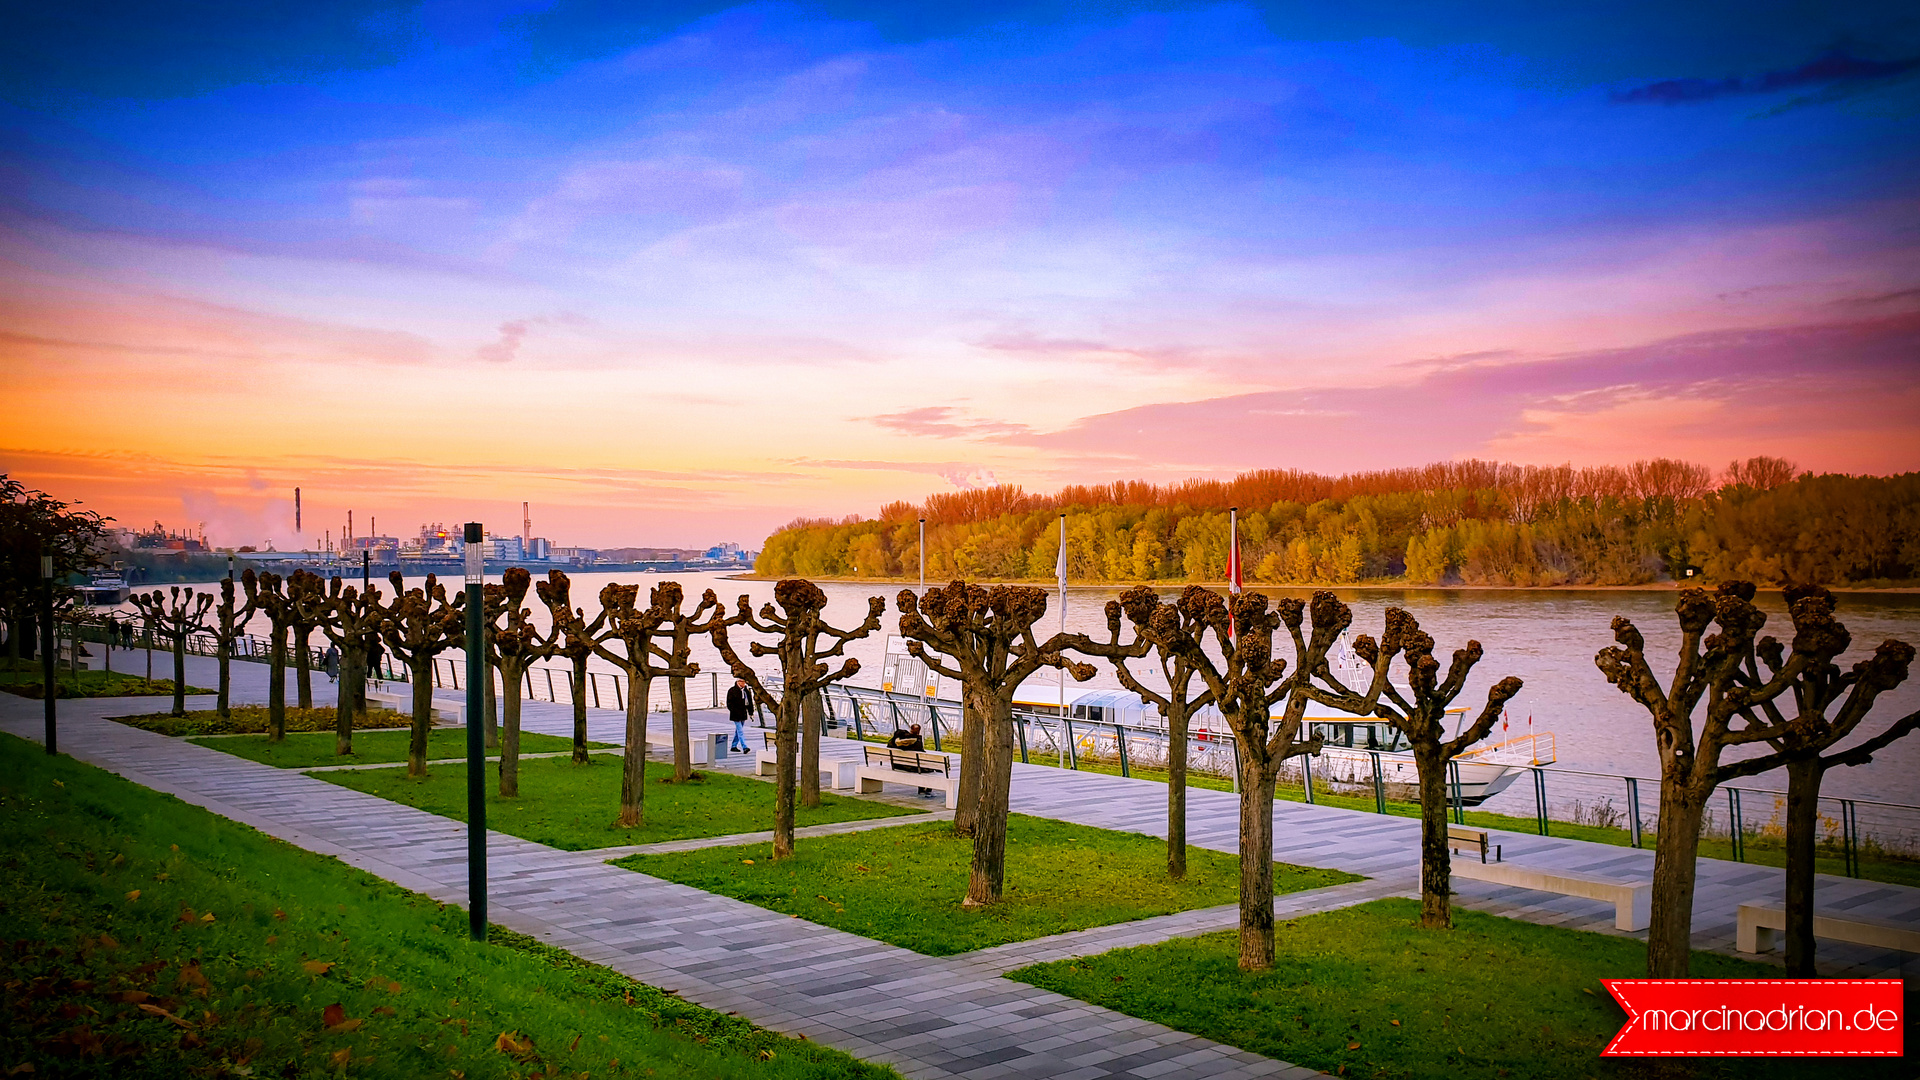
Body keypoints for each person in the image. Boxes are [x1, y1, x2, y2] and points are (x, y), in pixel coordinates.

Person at [887, 723, 936, 797]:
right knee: (929, 769)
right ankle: (925, 789)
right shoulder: (917, 741)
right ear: (918, 731)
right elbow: (921, 753)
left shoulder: (893, 742)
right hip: (910, 766)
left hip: (897, 765)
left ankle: (923, 788)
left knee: (921, 767)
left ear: (910, 729)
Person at [726, 677, 753, 754]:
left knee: (738, 731)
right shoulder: (732, 691)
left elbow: (749, 702)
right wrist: (734, 710)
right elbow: (729, 703)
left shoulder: (746, 691)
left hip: (743, 713)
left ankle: (733, 746)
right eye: (743, 682)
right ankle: (744, 746)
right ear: (738, 682)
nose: (744, 684)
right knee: (740, 731)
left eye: (745, 682)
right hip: (735, 714)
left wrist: (751, 712)